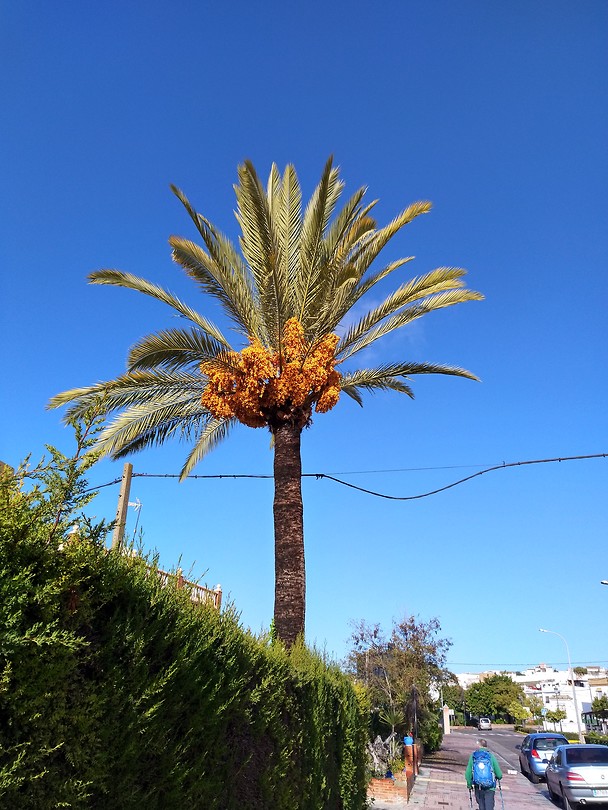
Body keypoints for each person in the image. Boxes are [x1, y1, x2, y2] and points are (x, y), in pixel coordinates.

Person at [465, 738, 503, 810]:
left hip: (478, 786)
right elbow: (499, 774)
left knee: (481, 806)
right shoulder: (491, 756)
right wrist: (498, 777)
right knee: (489, 807)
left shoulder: (474, 756)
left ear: (478, 746)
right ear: (486, 746)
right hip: (490, 787)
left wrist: (469, 785)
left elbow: (468, 773)